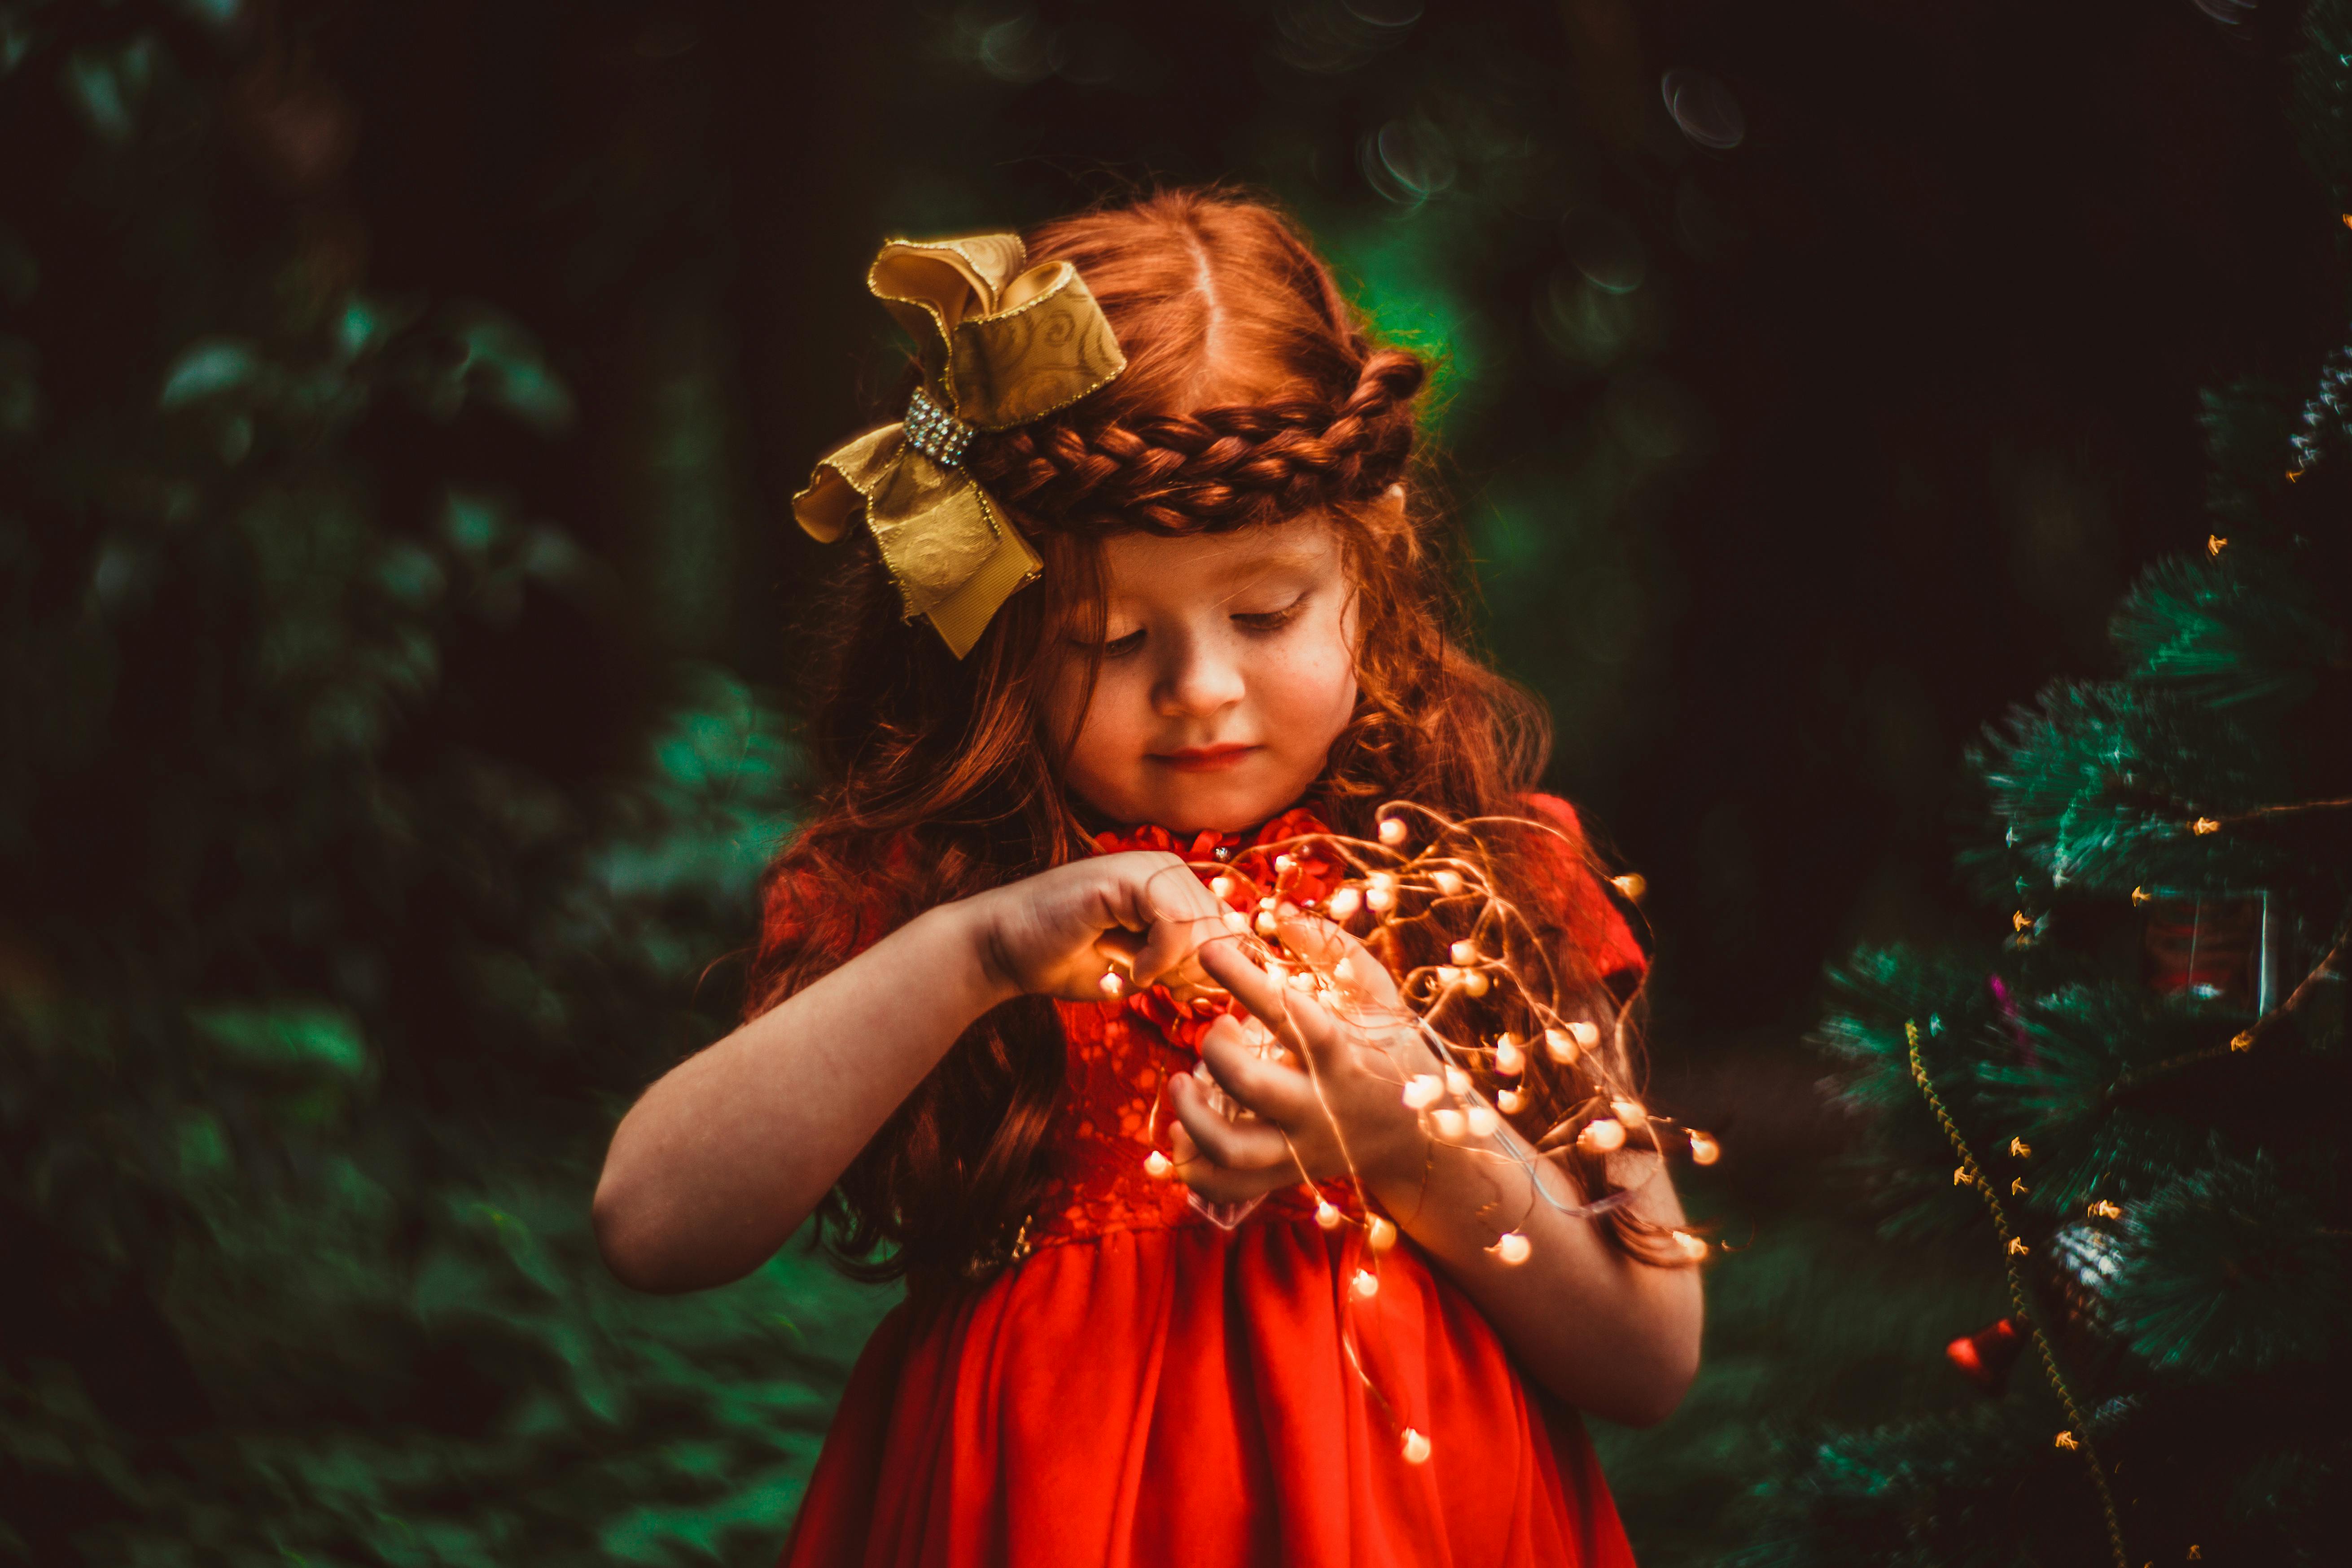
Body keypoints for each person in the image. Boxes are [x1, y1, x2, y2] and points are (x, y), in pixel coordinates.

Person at [592, 187, 1703, 1568]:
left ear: (1375, 555)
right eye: (1110, 637)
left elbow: (1650, 1359)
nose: (1198, 690)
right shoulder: (935, 892)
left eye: (1263, 613)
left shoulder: (1487, 870)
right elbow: (647, 1226)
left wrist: (1408, 1135)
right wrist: (978, 956)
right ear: (995, 628)